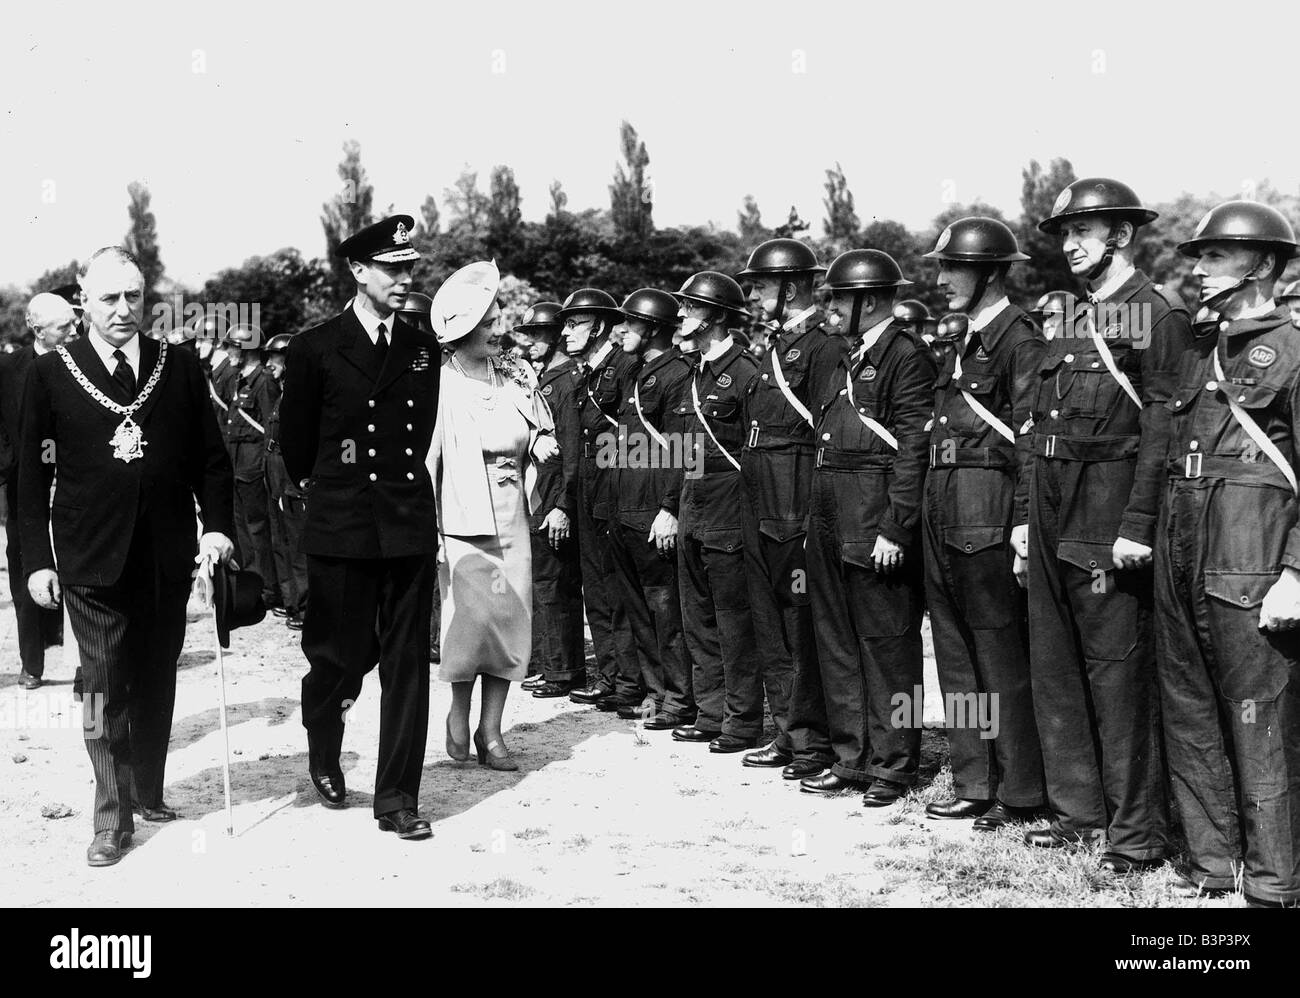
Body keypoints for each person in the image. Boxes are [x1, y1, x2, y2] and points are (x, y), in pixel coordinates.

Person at [18, 247, 234, 867]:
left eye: (134, 297)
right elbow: (30, 479)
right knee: (102, 681)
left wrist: (217, 528)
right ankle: (110, 816)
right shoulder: (52, 372)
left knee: (156, 673)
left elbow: (211, 461)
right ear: (84, 296)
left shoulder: (180, 365)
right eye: (109, 297)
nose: (123, 310)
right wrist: (38, 559)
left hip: (165, 553)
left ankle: (148, 788)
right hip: (89, 557)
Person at [1026, 178, 1191, 872]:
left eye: (1084, 231)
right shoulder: (1070, 314)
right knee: (1057, 662)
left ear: (1122, 235)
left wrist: (1139, 521)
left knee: (1118, 674)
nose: (1070, 245)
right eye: (1065, 233)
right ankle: (1077, 811)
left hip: (1110, 502)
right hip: (1052, 496)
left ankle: (1136, 833)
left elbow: (1163, 425)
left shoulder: (1157, 313)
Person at [1158, 200, 1300, 906]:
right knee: (1189, 710)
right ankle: (1210, 865)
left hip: (1251, 549)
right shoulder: (1199, 348)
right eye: (1198, 255)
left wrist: (1297, 573)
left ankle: (1273, 884)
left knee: (1257, 718)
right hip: (1182, 542)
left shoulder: (1295, 351)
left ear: (1265, 264)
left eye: (1215, 255)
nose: (1198, 268)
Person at [279, 214, 439, 840]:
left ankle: (397, 797)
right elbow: (297, 447)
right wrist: (341, 487)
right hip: (342, 527)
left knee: (406, 665)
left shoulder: (422, 346)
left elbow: (418, 433)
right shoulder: (315, 347)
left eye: (410, 268)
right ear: (359, 270)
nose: (405, 279)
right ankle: (324, 740)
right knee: (339, 658)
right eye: (393, 269)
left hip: (406, 524)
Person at [920, 217, 1046, 831]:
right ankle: (975, 779)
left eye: (955, 268)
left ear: (992, 273)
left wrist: (1023, 522)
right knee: (957, 657)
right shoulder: (963, 339)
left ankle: (1020, 789)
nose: (942, 279)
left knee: (1001, 659)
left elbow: (1029, 438)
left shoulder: (1018, 338)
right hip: (945, 512)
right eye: (942, 267)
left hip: (989, 514)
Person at [805, 250, 933, 803]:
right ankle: (851, 756)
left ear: (871, 300)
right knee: (837, 640)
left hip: (874, 509)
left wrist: (896, 526)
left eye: (839, 299)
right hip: (832, 506)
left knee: (887, 643)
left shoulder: (906, 355)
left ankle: (894, 763)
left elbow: (913, 447)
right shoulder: (846, 355)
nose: (830, 309)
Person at [427, 261, 558, 772]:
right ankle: (459, 715)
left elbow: (541, 426)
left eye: (497, 320)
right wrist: (432, 530)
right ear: (460, 332)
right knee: (468, 623)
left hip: (512, 514)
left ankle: (492, 730)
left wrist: (543, 441)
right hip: (460, 521)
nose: (498, 331)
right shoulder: (441, 386)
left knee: (509, 621)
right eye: (487, 324)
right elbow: (427, 462)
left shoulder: (515, 377)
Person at [733, 238, 847, 781]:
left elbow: (826, 432)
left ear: (792, 288)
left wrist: (812, 517)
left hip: (797, 503)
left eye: (760, 285)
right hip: (762, 503)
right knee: (773, 625)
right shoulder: (776, 347)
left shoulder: (824, 348)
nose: (752, 294)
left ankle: (813, 744)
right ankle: (787, 731)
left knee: (802, 624)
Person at [669, 271, 764, 752]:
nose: (681, 315)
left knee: (733, 621)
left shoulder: (747, 374)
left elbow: (754, 456)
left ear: (719, 316)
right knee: (698, 618)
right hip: (692, 506)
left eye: (691, 307)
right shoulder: (693, 373)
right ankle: (710, 713)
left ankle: (742, 720)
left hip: (729, 510)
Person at [607, 289, 696, 728]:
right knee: (640, 612)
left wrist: (669, 507)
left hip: (653, 512)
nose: (621, 330)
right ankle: (655, 694)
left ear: (655, 328)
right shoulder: (636, 374)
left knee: (666, 610)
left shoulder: (677, 374)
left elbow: (684, 450)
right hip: (626, 510)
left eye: (631, 323)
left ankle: (680, 699)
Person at [561, 289, 644, 712]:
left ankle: (630, 681)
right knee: (595, 584)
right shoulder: (587, 374)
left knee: (616, 586)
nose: (566, 332)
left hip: (614, 483)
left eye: (574, 323)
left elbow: (636, 433)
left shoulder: (625, 366)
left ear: (598, 326)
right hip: (589, 486)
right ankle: (611, 676)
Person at [0, 293, 74, 690]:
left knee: (80, 570)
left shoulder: (83, 361)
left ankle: (84, 667)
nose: (73, 331)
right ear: (37, 328)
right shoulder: (8, 369)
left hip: (75, 484)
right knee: (26, 570)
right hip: (23, 489)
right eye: (64, 327)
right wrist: (11, 464)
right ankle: (33, 662)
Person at [516, 302, 588, 698]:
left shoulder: (565, 382)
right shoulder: (547, 380)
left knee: (556, 584)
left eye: (536, 335)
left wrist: (562, 504)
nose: (528, 343)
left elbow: (572, 451)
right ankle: (550, 665)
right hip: (541, 494)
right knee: (544, 583)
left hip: (555, 496)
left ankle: (563, 671)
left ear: (557, 335)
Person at [220, 323, 280, 610]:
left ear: (247, 349)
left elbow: (270, 425)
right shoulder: (238, 379)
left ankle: (267, 589)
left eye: (233, 346)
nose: (229, 351)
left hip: (253, 464)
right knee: (242, 529)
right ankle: (251, 584)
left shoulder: (263, 381)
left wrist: (265, 467)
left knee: (258, 528)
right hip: (236, 463)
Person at [263, 332, 308, 630]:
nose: (269, 363)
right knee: (281, 537)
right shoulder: (283, 390)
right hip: (275, 465)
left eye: (274, 358)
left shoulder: (299, 393)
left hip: (289, 470)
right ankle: (292, 601)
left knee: (297, 542)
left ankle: (305, 607)